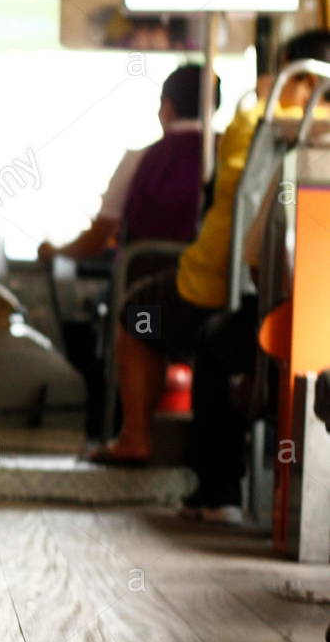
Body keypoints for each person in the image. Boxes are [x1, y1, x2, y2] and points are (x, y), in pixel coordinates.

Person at [92, 30, 330, 468]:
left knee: (137, 316)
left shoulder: (256, 121)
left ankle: (136, 436)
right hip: (304, 300)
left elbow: (99, 232)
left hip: (213, 283)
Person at [39, 65, 218, 265]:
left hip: (146, 287)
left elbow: (96, 241)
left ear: (167, 108)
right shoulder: (230, 157)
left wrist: (54, 251)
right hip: (218, 287)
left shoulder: (141, 159)